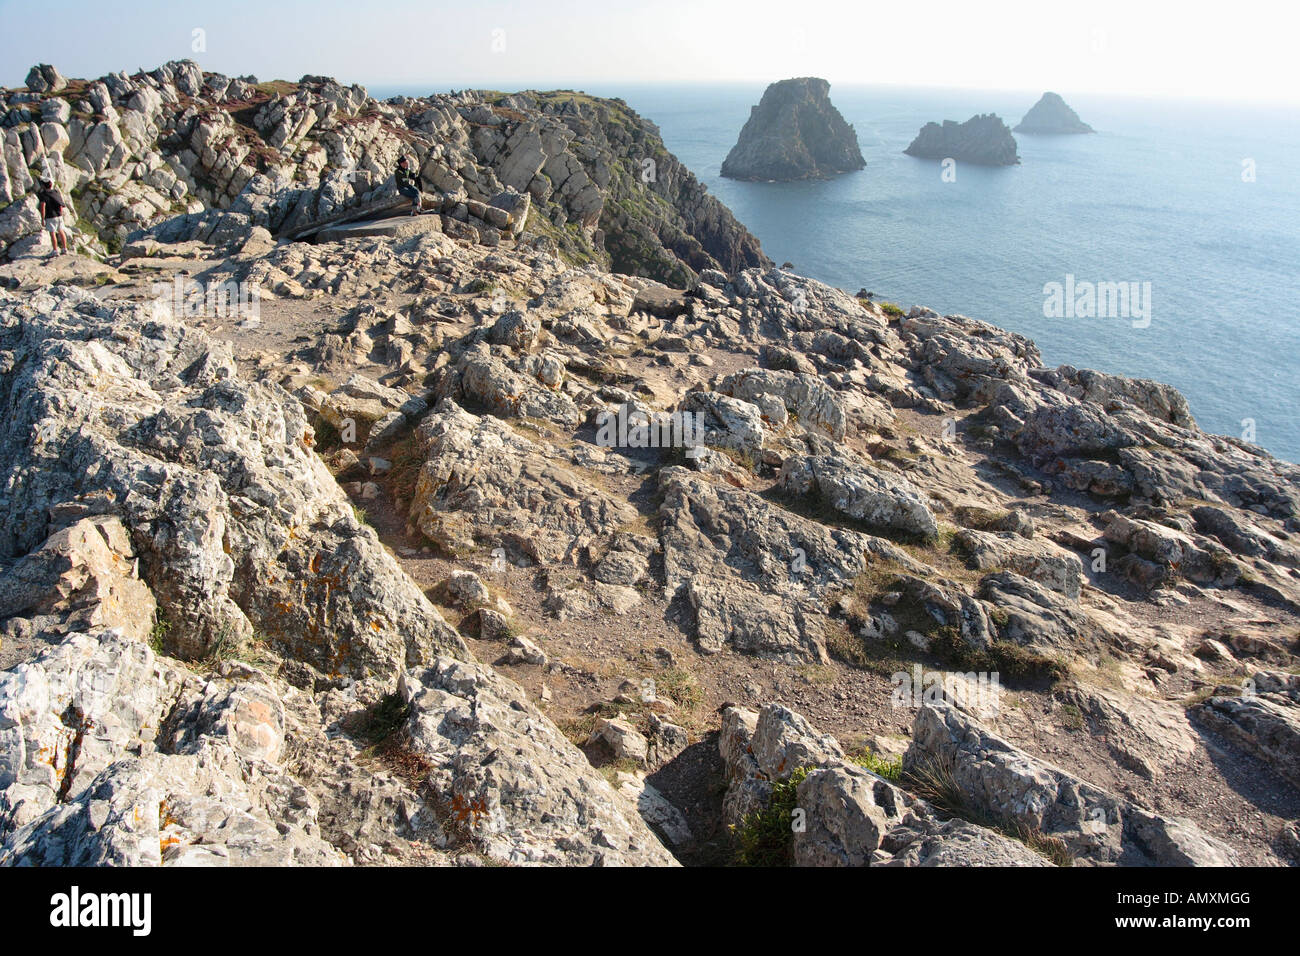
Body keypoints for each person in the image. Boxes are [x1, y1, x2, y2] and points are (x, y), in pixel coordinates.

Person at [36, 177, 70, 257]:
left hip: (50, 216)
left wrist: (43, 218)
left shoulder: (43, 195)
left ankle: (55, 251)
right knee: (61, 231)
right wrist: (60, 214)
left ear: (43, 185)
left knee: (52, 233)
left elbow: (43, 206)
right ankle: (64, 249)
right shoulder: (56, 192)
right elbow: (60, 204)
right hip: (59, 215)